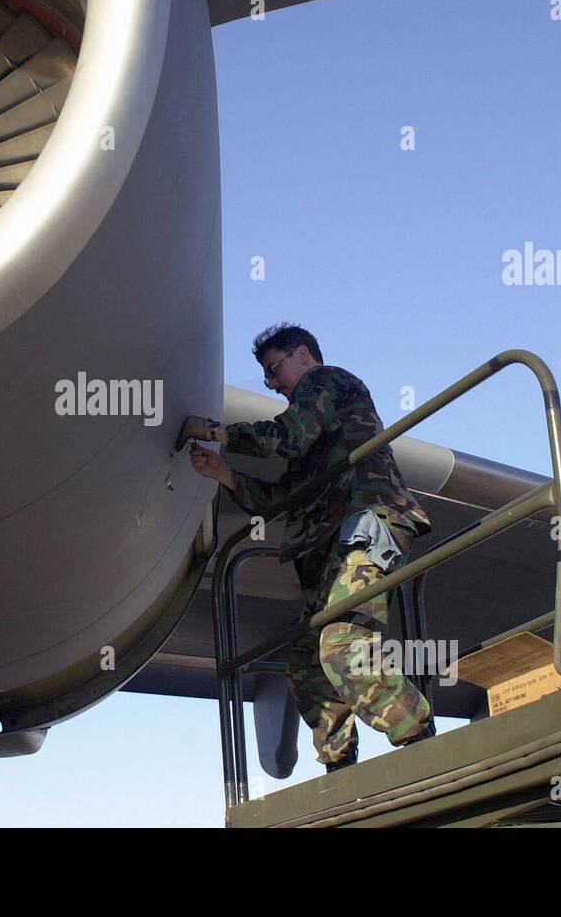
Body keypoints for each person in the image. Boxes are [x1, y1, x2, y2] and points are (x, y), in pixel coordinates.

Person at [179, 323, 434, 771]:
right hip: (328, 546)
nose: (272, 384)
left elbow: (287, 436)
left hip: (364, 525)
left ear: (302, 354)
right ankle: (339, 766)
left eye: (274, 370)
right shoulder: (314, 433)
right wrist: (225, 474)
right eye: (266, 377)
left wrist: (221, 433)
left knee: (344, 646)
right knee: (306, 665)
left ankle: (421, 742)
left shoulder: (326, 382)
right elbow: (284, 498)